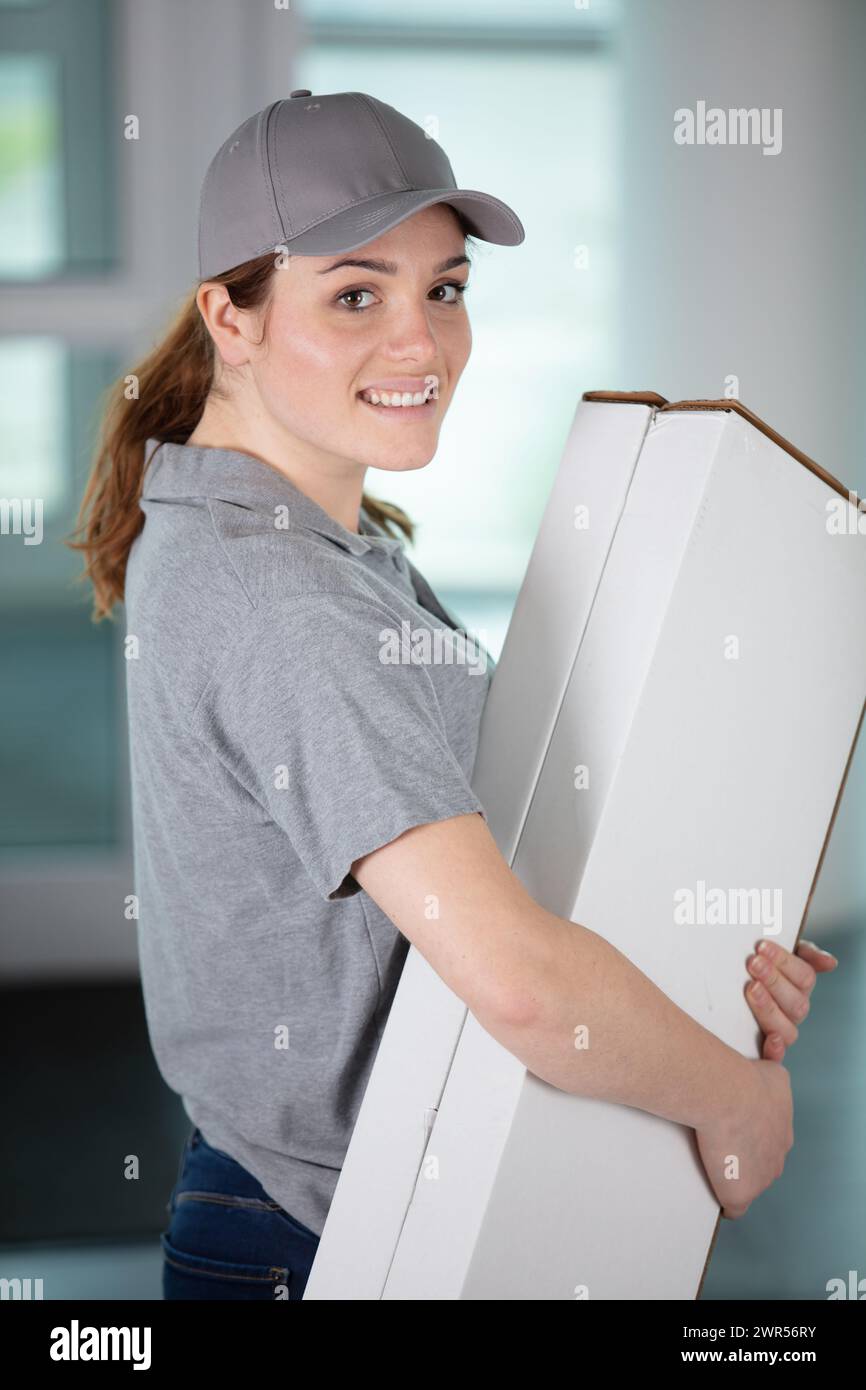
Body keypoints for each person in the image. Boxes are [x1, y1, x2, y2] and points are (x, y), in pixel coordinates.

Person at [69, 90, 837, 1301]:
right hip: (323, 1242)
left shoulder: (314, 534)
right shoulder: (277, 594)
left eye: (444, 288)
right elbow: (519, 981)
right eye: (354, 294)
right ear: (233, 315)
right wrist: (731, 1094)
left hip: (358, 1198)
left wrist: (693, 979)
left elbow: (491, 853)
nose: (420, 344)